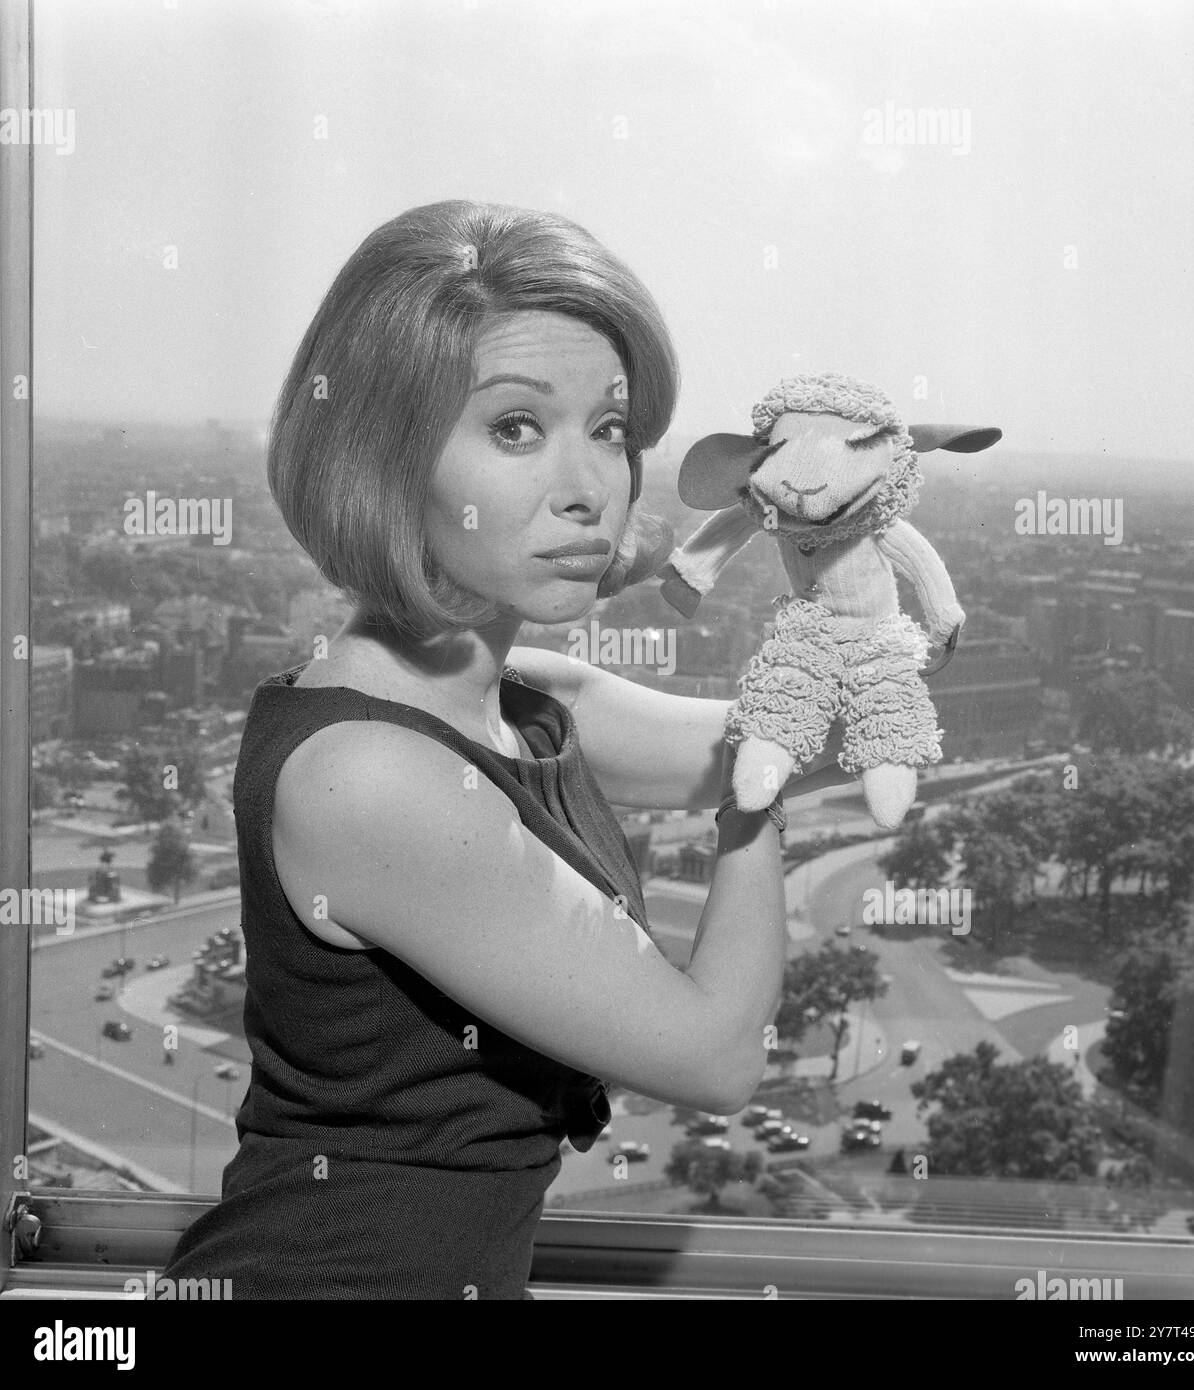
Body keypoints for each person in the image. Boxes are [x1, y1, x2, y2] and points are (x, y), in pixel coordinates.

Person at [161, 199, 850, 1299]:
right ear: (383, 458)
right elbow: (716, 1053)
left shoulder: (520, 703)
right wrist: (755, 790)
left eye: (611, 429)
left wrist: (842, 553)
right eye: (516, 428)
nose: (590, 485)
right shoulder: (368, 778)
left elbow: (818, 730)